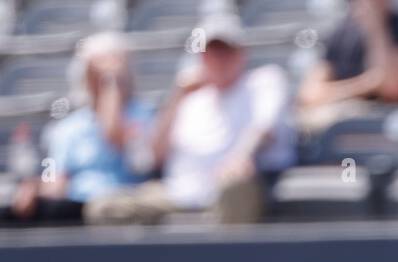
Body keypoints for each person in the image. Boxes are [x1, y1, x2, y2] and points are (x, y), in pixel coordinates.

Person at [85, 15, 295, 225]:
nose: (218, 59)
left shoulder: (264, 81)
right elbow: (151, 158)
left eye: (226, 51)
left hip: (237, 189)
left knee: (233, 188)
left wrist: (242, 157)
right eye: (211, 52)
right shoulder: (190, 100)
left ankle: (225, 257)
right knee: (104, 207)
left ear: (242, 53)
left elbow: (265, 128)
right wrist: (178, 95)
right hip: (181, 192)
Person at [2, 33, 152, 226]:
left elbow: (119, 141)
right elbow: (56, 182)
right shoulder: (69, 127)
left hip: (122, 205)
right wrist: (33, 190)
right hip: (75, 207)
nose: (102, 80)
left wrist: (111, 88)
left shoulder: (144, 115)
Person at [297, 0, 398, 129]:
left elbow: (393, 87)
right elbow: (309, 95)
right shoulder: (341, 33)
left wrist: (376, 27)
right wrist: (366, 85)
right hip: (346, 126)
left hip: (388, 127)